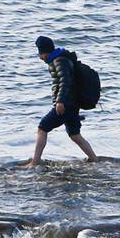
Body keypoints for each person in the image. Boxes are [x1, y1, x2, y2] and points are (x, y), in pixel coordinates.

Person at [24, 36, 98, 168]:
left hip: (66, 104)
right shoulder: (62, 58)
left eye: (40, 54)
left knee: (42, 128)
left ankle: (34, 163)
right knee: (75, 135)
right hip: (72, 103)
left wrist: (60, 101)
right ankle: (94, 160)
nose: (40, 58)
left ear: (45, 52)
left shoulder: (59, 61)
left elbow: (65, 82)